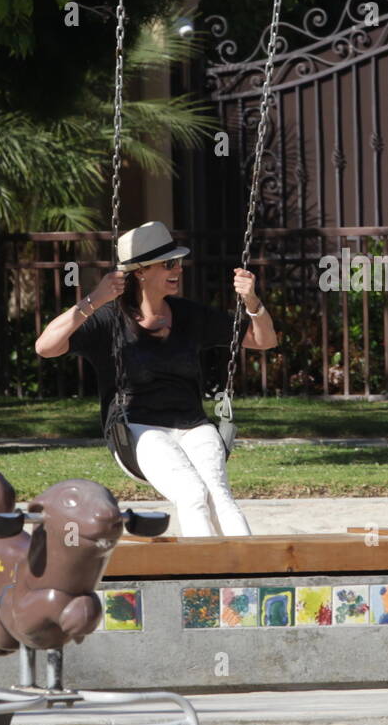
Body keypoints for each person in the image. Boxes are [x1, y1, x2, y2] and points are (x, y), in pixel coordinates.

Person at [35, 220, 278, 536]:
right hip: (138, 428)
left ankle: (250, 576)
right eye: (168, 263)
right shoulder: (109, 320)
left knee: (220, 496)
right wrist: (94, 299)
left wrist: (252, 302)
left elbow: (264, 341)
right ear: (140, 272)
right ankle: (206, 579)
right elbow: (45, 346)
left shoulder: (189, 315)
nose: (177, 269)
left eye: (177, 261)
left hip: (193, 425)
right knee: (192, 493)